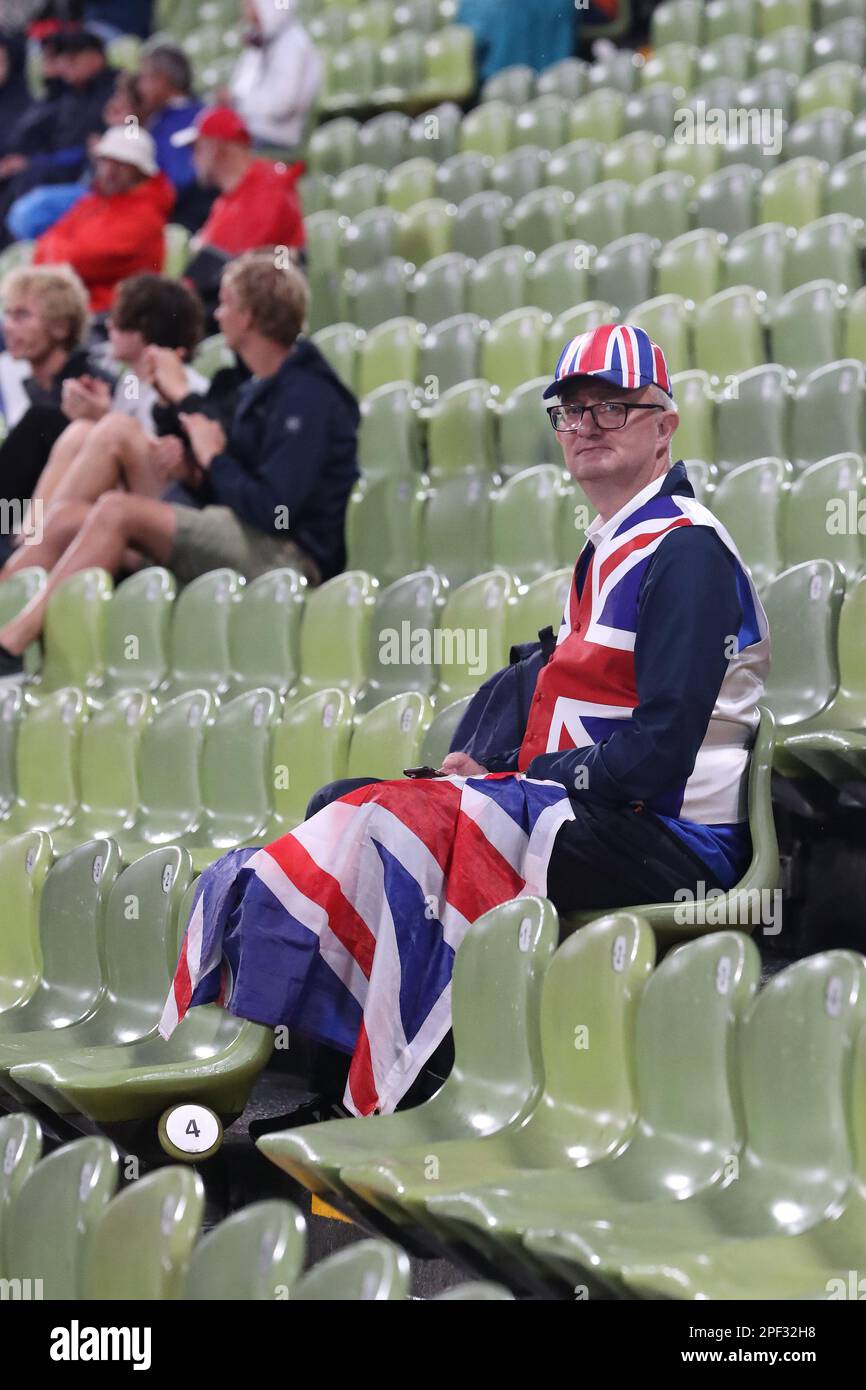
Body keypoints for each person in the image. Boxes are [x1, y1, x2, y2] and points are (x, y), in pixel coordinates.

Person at [308, 325, 771, 913]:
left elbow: (658, 756)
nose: (586, 427)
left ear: (664, 426)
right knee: (344, 805)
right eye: (573, 412)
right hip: (599, 813)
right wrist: (497, 768)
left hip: (673, 841)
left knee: (372, 826)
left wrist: (534, 775)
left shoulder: (687, 550)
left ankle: (406, 1005)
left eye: (612, 407)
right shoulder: (607, 546)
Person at [0, 252, 360, 670]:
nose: (218, 314)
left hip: (289, 553)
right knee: (63, 519)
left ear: (247, 317)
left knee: (116, 509)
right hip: (235, 526)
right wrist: (192, 469)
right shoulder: (253, 386)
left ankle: (11, 645)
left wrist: (214, 457)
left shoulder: (307, 396)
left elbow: (273, 509)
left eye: (225, 304)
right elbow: (227, 488)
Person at [20, 272, 207, 526]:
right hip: (125, 491)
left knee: (68, 426)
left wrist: (104, 418)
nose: (108, 325)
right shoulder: (131, 382)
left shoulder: (188, 385)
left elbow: (148, 450)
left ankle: (32, 543)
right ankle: (29, 536)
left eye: (119, 319)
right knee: (80, 430)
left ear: (144, 329)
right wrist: (99, 414)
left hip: (169, 505)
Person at [0, 263, 111, 510]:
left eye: (22, 315)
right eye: (8, 314)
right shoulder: (34, 386)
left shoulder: (90, 388)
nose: (8, 326)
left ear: (60, 327)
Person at [33, 124, 174, 311]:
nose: (110, 170)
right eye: (106, 160)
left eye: (122, 163)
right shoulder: (93, 202)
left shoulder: (145, 217)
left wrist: (55, 249)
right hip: (69, 309)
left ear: (141, 172)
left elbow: (77, 261)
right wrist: (57, 249)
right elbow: (45, 244)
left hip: (108, 318)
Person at [136, 38, 212, 230]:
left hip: (179, 220)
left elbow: (180, 182)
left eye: (144, 78)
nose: (139, 88)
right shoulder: (157, 118)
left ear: (161, 79)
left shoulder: (197, 119)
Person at [228, 0, 322, 151]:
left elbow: (281, 105)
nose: (245, 11)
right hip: (254, 130)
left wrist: (239, 101)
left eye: (250, 4)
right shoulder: (262, 42)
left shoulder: (293, 45)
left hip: (278, 138)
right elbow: (240, 86)